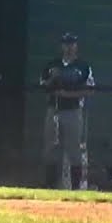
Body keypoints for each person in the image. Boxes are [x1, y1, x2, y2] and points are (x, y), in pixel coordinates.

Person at [41, 33, 95, 190]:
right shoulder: (52, 65)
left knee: (74, 149)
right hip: (54, 109)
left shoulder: (83, 66)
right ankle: (50, 185)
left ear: (76, 46)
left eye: (72, 44)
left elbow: (90, 90)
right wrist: (53, 79)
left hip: (73, 110)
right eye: (66, 44)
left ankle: (76, 188)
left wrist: (68, 94)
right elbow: (43, 86)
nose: (69, 47)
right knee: (50, 147)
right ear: (61, 46)